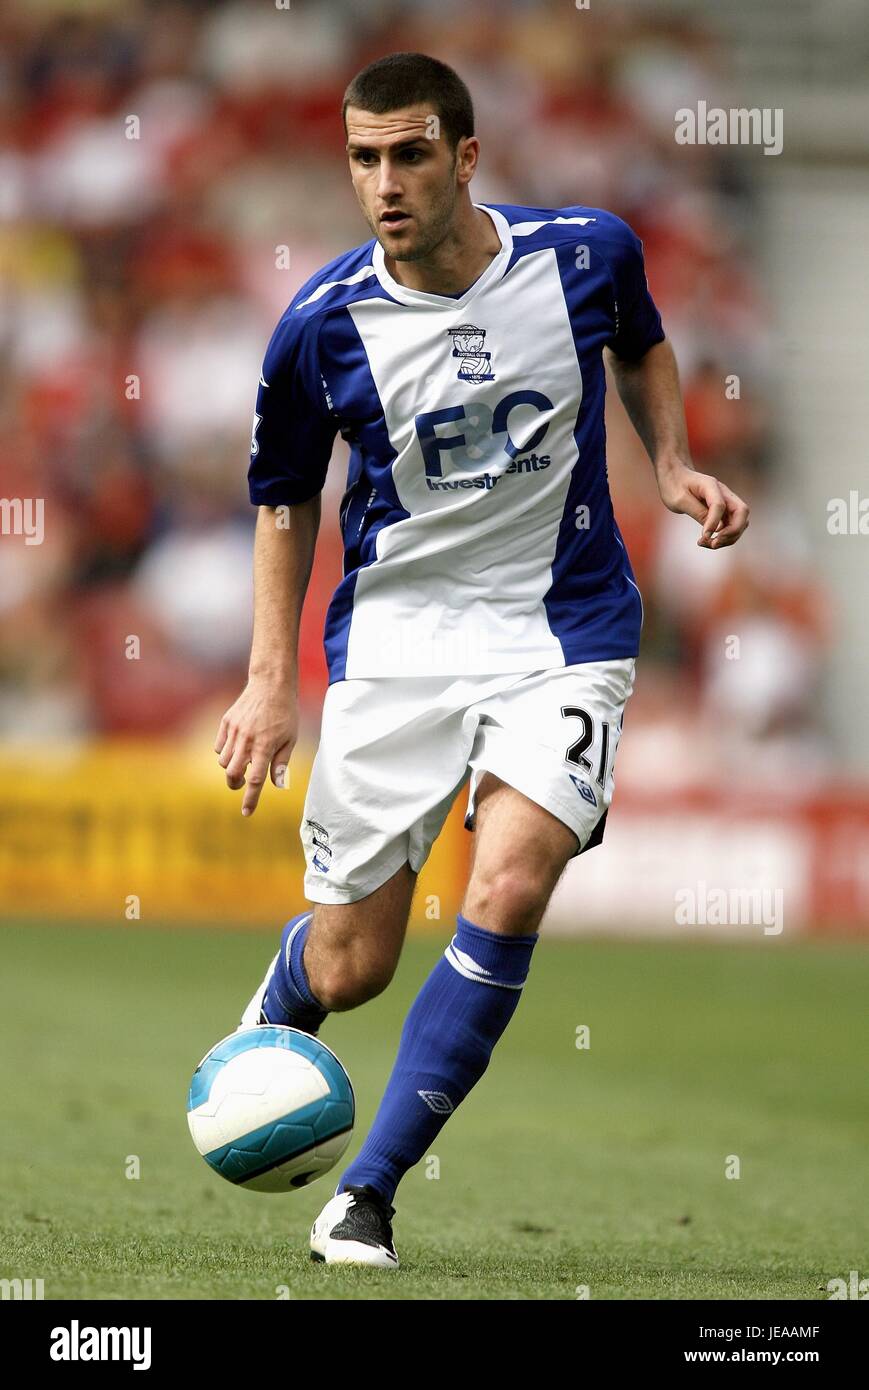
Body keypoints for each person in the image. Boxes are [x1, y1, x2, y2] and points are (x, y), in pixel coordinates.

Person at [214, 51, 749, 1268]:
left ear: (464, 158)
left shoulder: (583, 251)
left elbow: (641, 342)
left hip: (562, 631)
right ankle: (291, 994)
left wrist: (666, 465)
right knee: (355, 963)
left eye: (408, 154)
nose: (383, 183)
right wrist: (265, 679)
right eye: (362, 158)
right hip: (395, 647)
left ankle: (365, 1193)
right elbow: (284, 500)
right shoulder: (317, 327)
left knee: (507, 884)